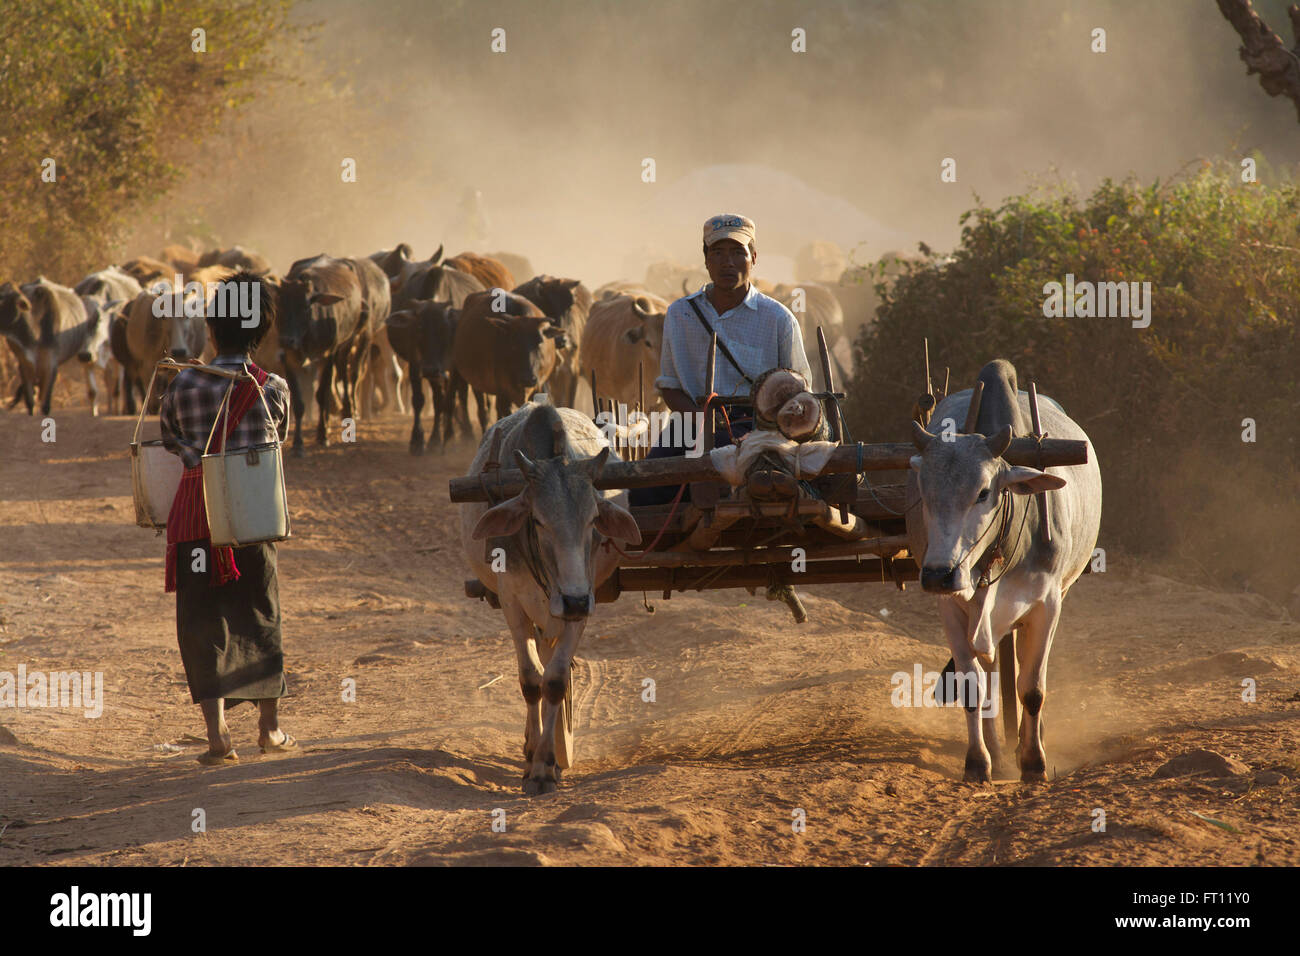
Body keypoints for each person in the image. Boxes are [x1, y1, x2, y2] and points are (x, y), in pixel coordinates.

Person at [159, 271, 294, 766]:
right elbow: (280, 440)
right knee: (261, 613)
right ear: (261, 332)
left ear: (212, 329)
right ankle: (269, 728)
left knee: (200, 620)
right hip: (253, 516)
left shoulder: (181, 385)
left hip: (196, 521)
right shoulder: (272, 389)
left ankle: (218, 739)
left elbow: (171, 439)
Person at [630, 214, 814, 505]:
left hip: (756, 428)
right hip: (690, 422)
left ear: (753, 257)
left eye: (737, 252)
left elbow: (800, 393)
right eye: (718, 253)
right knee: (643, 488)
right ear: (706, 260)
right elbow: (669, 387)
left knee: (731, 478)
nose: (727, 262)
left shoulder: (779, 319)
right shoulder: (680, 314)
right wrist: (701, 421)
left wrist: (761, 423)